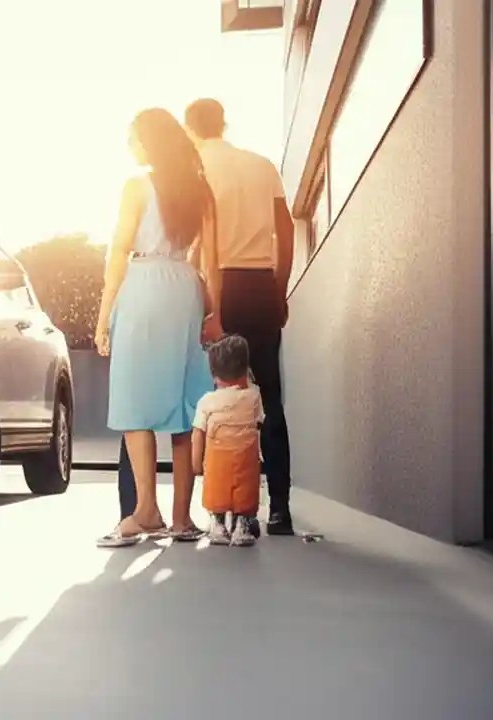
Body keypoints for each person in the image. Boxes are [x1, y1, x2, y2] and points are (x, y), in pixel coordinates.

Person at [95, 107, 215, 548]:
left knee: (134, 403)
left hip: (144, 285)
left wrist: (105, 313)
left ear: (148, 141)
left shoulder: (136, 186)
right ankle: (182, 518)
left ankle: (146, 510)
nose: (130, 145)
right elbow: (209, 260)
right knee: (184, 407)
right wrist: (211, 309)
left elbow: (119, 250)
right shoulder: (198, 188)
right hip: (185, 288)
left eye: (133, 137)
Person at [185, 98, 296, 537]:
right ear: (223, 122)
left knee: (221, 401)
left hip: (223, 285)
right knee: (270, 399)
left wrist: (213, 308)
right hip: (262, 283)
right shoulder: (261, 164)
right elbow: (285, 230)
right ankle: (280, 510)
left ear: (192, 129)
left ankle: (225, 508)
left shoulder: (200, 172)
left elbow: (207, 247)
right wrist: (280, 288)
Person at [192, 335, 265, 547]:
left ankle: (218, 525)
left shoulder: (207, 401)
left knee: (217, 492)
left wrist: (196, 464)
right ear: (246, 370)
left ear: (214, 375)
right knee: (246, 493)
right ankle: (241, 526)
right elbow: (259, 421)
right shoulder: (253, 396)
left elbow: (198, 433)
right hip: (246, 459)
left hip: (217, 460)